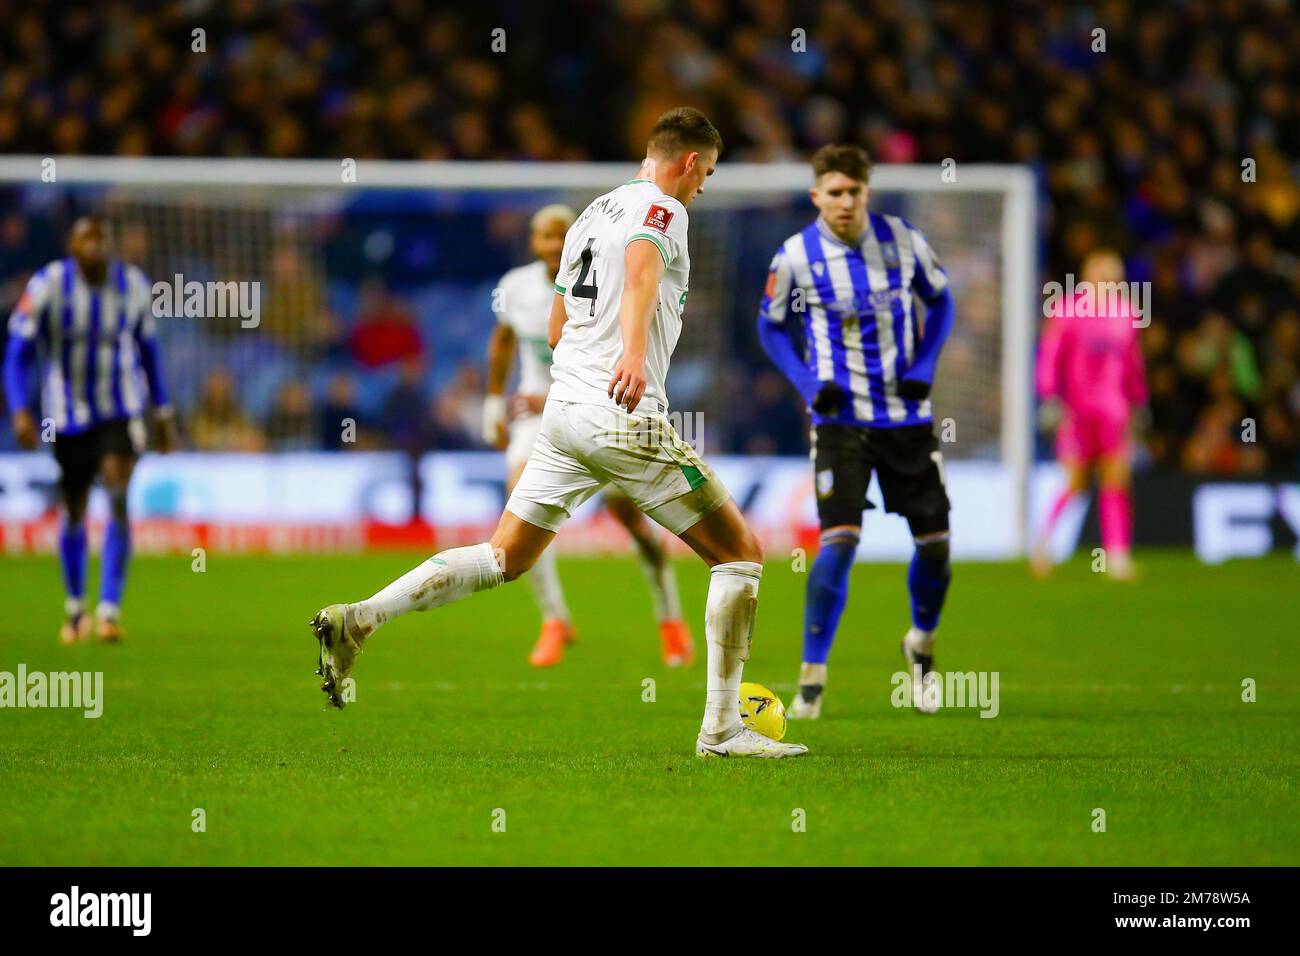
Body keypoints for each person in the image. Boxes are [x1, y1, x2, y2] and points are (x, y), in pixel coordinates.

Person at [309, 107, 806, 758]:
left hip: (564, 409)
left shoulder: (589, 214)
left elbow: (552, 327)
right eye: (705, 172)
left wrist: (589, 358)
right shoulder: (664, 209)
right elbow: (642, 273)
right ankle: (720, 730)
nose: (703, 186)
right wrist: (630, 353)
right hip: (619, 409)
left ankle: (363, 617)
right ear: (687, 162)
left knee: (503, 557)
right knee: (739, 553)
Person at [757, 144, 956, 719]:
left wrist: (923, 368)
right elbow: (769, 328)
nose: (845, 202)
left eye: (855, 191)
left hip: (907, 419)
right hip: (839, 421)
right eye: (834, 192)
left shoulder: (904, 242)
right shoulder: (794, 256)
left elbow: (941, 304)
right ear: (816, 195)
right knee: (839, 540)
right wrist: (807, 382)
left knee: (936, 547)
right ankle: (811, 679)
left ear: (868, 192)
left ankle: (920, 643)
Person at [483, 203, 694, 667]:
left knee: (632, 521)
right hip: (538, 413)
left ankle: (670, 618)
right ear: (533, 243)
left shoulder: (611, 274)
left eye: (562, 236)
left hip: (602, 403)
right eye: (545, 237)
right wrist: (494, 401)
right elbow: (502, 342)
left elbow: (615, 347)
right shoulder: (514, 288)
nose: (554, 246)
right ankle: (554, 619)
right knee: (519, 503)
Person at [3, 216, 176, 643]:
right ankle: (76, 606)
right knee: (75, 508)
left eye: (101, 240)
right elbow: (16, 353)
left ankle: (110, 610)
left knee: (118, 491)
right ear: (72, 246)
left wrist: (164, 414)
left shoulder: (132, 285)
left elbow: (149, 353)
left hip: (121, 409)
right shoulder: (47, 286)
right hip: (67, 416)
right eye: (86, 240)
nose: (95, 248)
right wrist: (21, 409)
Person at [1032, 249, 1148, 580]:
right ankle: (1043, 543)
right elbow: (1051, 357)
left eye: (1115, 276)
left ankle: (1117, 555)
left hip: (1114, 411)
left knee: (1116, 479)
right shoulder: (1067, 310)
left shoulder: (1126, 313)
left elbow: (1131, 363)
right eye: (1103, 275)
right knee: (1076, 482)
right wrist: (1049, 398)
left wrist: (1139, 401)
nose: (1110, 281)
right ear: (1087, 278)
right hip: (1077, 411)